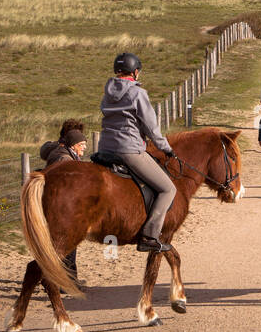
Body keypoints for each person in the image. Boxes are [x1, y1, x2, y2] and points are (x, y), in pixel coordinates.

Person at [98, 52, 177, 252]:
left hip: (105, 148)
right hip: (129, 150)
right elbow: (151, 127)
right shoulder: (138, 93)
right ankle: (149, 236)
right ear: (135, 72)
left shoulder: (107, 92)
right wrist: (166, 148)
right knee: (168, 189)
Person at [39, 118, 89, 285]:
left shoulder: (61, 153)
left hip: (60, 207)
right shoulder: (64, 159)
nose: (84, 147)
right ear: (72, 143)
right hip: (63, 209)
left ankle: (68, 280)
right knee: (66, 245)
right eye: (81, 143)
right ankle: (66, 282)